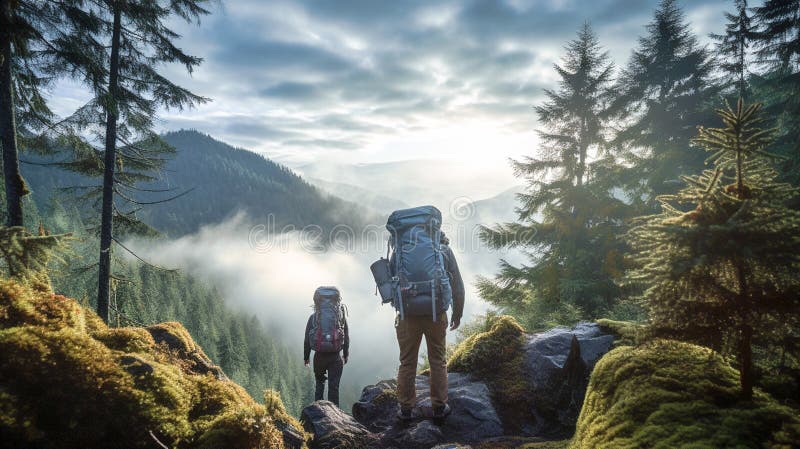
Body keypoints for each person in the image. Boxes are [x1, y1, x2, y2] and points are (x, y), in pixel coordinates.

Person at [395, 231, 465, 421]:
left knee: (407, 362)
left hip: (408, 315)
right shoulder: (443, 249)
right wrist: (457, 313)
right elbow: (457, 285)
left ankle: (406, 409)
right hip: (436, 313)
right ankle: (439, 408)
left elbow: (392, 281)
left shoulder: (401, 248)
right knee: (438, 360)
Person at [303, 286, 349, 407]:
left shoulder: (313, 318)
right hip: (335, 357)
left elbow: (307, 339)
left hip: (319, 356)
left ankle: (318, 413)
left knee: (319, 385)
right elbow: (346, 336)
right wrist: (345, 355)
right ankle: (335, 418)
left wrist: (306, 357)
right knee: (334, 388)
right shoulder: (340, 317)